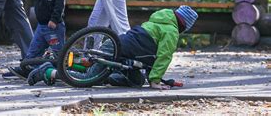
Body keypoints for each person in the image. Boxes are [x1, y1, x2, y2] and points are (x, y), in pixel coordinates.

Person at [27, 5, 199, 90]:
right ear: (184, 27)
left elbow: (149, 57)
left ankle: (88, 69)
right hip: (119, 51)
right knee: (88, 78)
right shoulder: (171, 32)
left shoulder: (158, 21)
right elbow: (163, 56)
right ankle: (49, 71)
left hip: (121, 49)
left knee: (136, 81)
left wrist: (154, 77)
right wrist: (154, 80)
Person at [6, 0, 66, 79]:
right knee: (33, 49)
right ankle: (27, 67)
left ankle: (62, 72)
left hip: (54, 27)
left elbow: (59, 5)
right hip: (41, 27)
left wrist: (54, 19)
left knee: (58, 51)